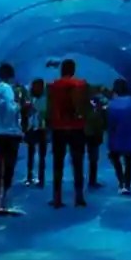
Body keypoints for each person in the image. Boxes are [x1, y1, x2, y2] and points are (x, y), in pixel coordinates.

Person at [46, 58, 88, 208]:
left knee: (58, 163)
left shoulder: (53, 86)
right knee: (78, 162)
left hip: (59, 128)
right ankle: (79, 197)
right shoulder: (81, 84)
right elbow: (84, 106)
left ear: (61, 70)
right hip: (77, 127)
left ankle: (57, 198)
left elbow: (49, 109)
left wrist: (49, 127)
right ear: (74, 70)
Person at [0, 62, 25, 216]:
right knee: (8, 169)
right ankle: (6, 204)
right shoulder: (7, 89)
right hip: (10, 134)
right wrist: (19, 106)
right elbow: (10, 110)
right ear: (11, 75)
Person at [106, 79, 131, 195]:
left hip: (116, 136)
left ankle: (121, 182)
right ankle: (128, 185)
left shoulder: (112, 103)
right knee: (128, 161)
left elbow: (110, 123)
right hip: (129, 136)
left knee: (115, 159)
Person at [22, 78, 48, 188]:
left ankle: (40, 178)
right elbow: (24, 113)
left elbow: (46, 114)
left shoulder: (44, 99)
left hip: (41, 128)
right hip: (32, 128)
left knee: (40, 155)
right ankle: (30, 176)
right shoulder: (30, 98)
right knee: (31, 153)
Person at [84, 85, 108, 189]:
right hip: (94, 135)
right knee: (93, 159)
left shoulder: (85, 104)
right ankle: (92, 181)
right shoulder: (97, 105)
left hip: (86, 133)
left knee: (90, 158)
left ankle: (87, 179)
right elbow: (99, 121)